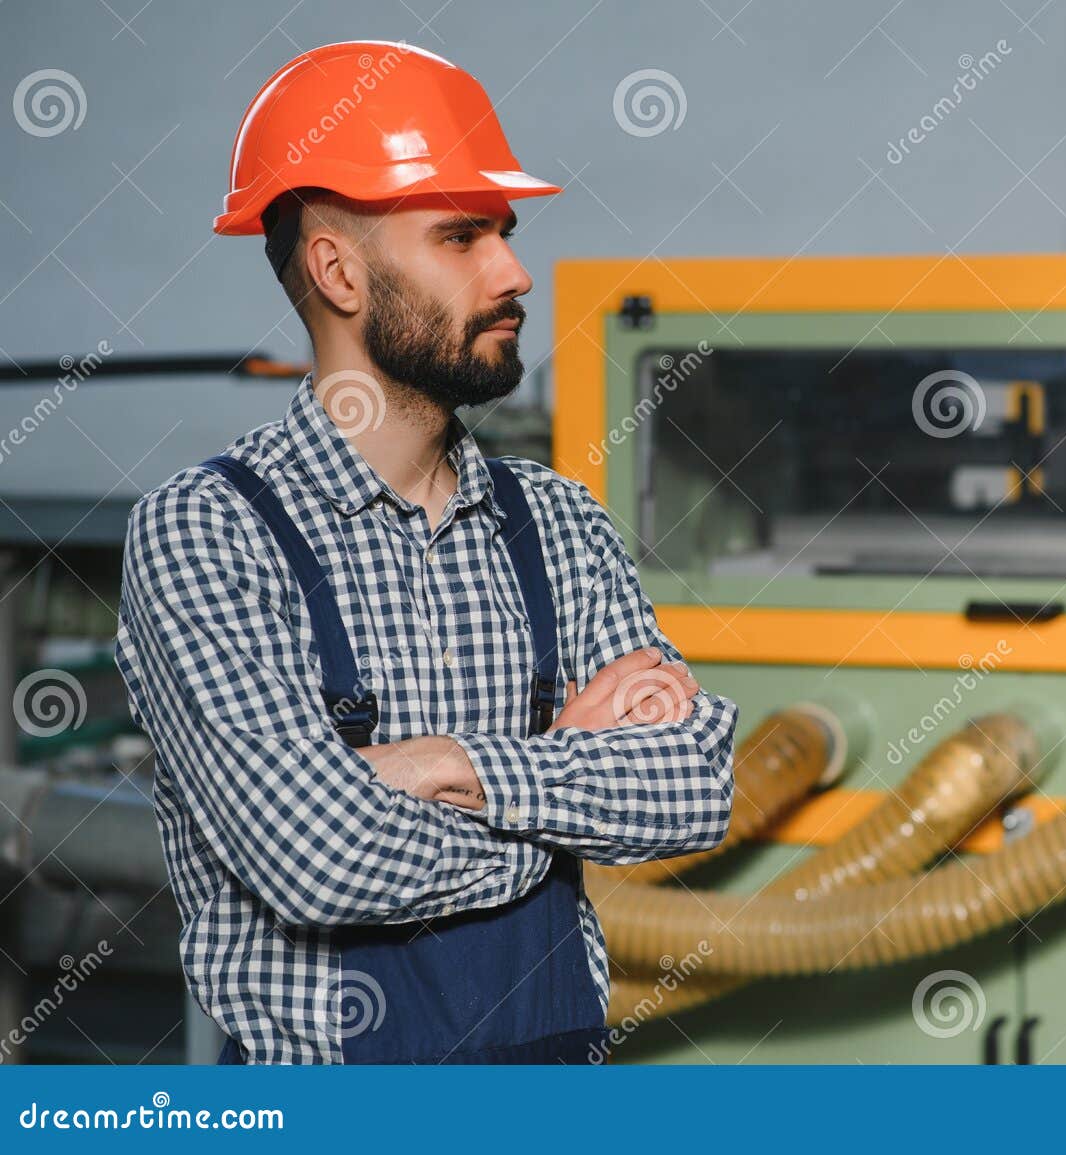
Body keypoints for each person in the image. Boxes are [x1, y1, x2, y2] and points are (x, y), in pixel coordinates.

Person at [112, 40, 737, 1064]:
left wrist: (444, 767)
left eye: (505, 232)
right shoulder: (207, 533)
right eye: (461, 237)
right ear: (337, 271)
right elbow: (315, 856)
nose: (515, 271)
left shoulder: (558, 521)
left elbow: (689, 789)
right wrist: (560, 781)